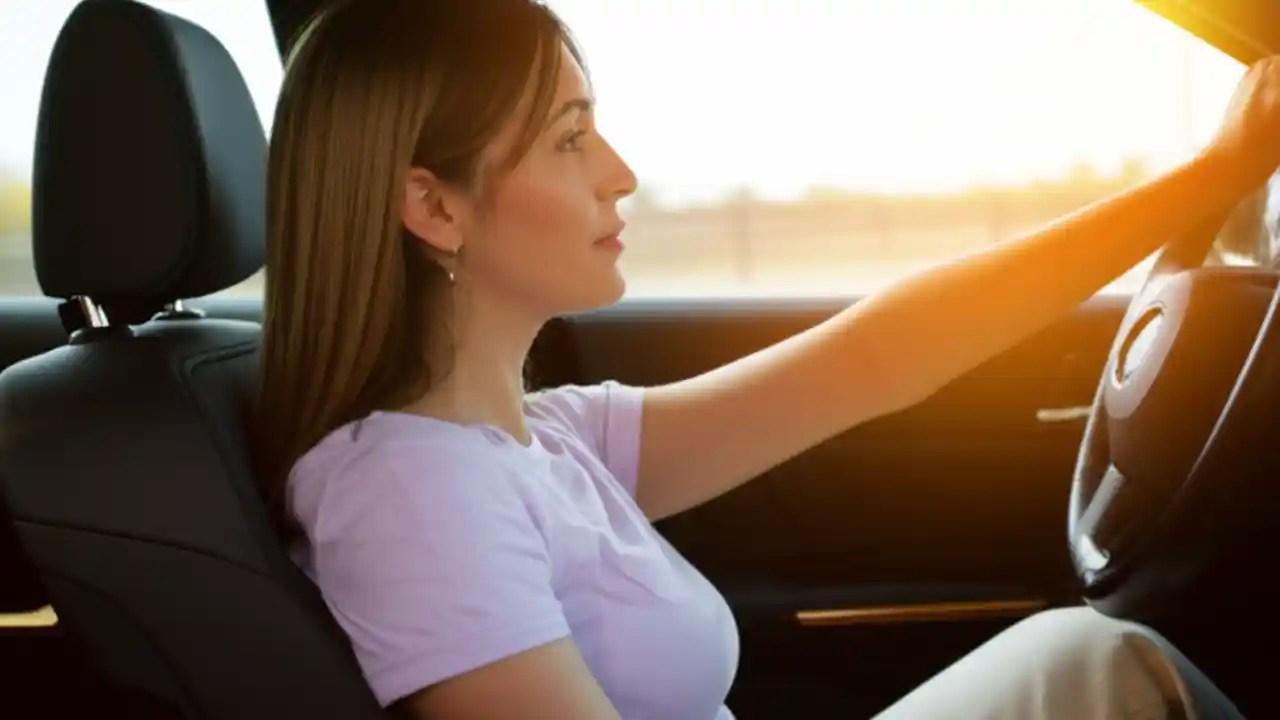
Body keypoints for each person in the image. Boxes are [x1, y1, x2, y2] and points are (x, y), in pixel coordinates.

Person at [253, 0, 1271, 717]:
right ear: (433, 205)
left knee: (1089, 664)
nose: (620, 176)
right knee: (1099, 672)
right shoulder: (409, 490)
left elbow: (878, 356)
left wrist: (1207, 179)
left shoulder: (540, 442)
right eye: (569, 141)